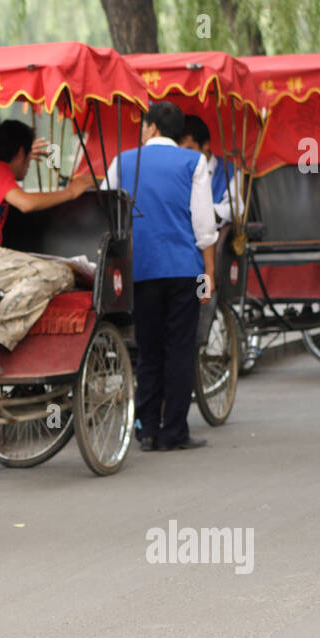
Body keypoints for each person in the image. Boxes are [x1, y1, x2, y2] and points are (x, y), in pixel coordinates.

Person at [0, 119, 93, 375]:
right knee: (57, 273)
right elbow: (26, 204)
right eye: (28, 158)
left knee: (46, 273)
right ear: (21, 153)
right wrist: (71, 192)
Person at [105, 101, 216, 452]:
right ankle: (174, 431)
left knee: (149, 349)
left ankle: (146, 430)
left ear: (152, 127)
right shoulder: (194, 162)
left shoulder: (121, 163)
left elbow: (107, 214)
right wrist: (208, 274)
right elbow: (204, 226)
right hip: (186, 270)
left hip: (140, 270)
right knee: (180, 349)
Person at [178, 114, 240, 226]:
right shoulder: (177, 172)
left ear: (205, 144)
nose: (185, 156)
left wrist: (207, 212)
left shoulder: (228, 171)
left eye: (189, 149)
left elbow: (236, 208)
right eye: (180, 151)